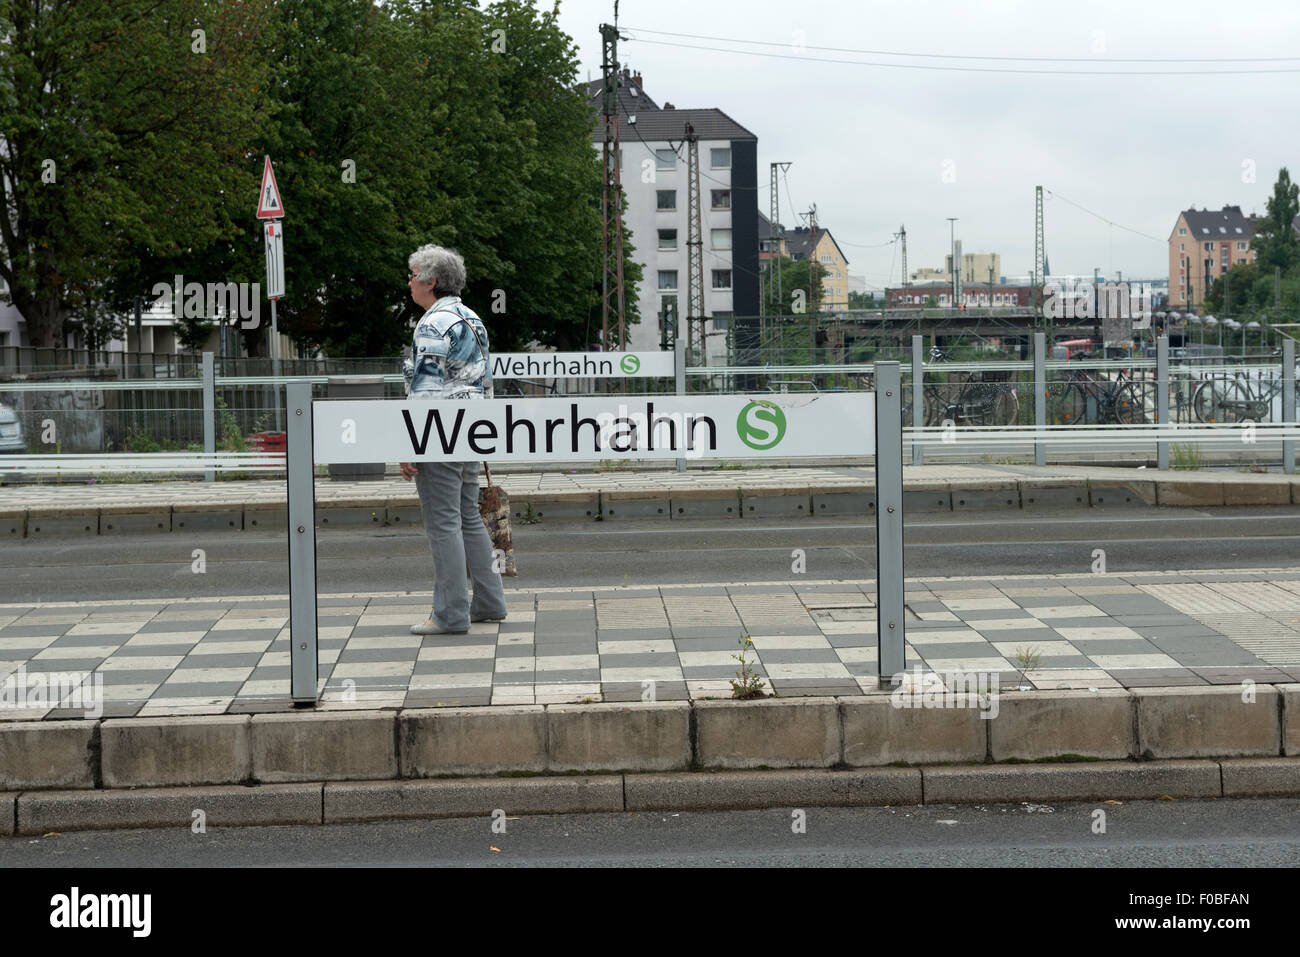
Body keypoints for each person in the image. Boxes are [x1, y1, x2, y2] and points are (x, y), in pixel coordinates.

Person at [399, 244, 508, 634]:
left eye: (413, 275)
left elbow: (426, 389)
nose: (409, 283)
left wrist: (411, 445)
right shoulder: (472, 318)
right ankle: (490, 602)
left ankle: (450, 614)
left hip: (440, 430)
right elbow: (484, 380)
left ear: (430, 281)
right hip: (471, 427)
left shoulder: (432, 323)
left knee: (443, 522)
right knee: (467, 515)